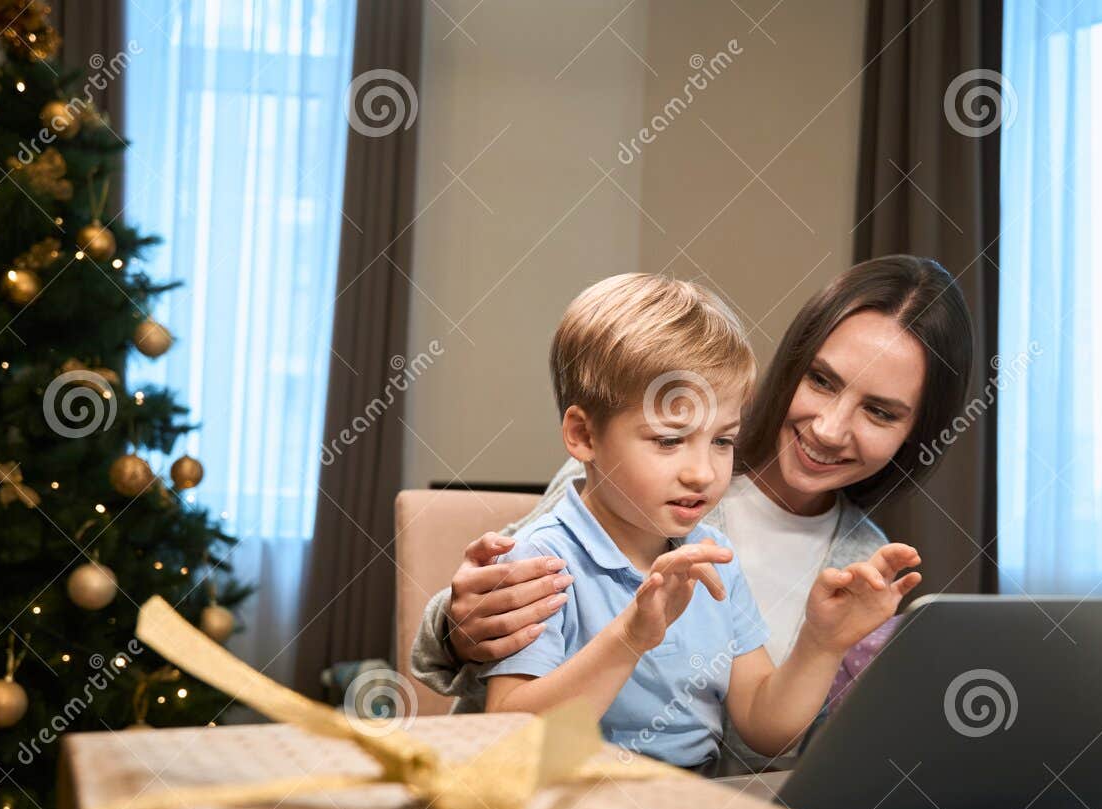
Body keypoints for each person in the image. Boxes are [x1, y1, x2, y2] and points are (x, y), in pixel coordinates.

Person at [410, 254, 975, 776]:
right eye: (822, 380)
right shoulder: (568, 532)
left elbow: (766, 729)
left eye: (723, 442)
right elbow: (509, 718)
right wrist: (629, 636)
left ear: (915, 433)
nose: (703, 473)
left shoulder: (718, 559)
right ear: (583, 437)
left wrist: (821, 644)